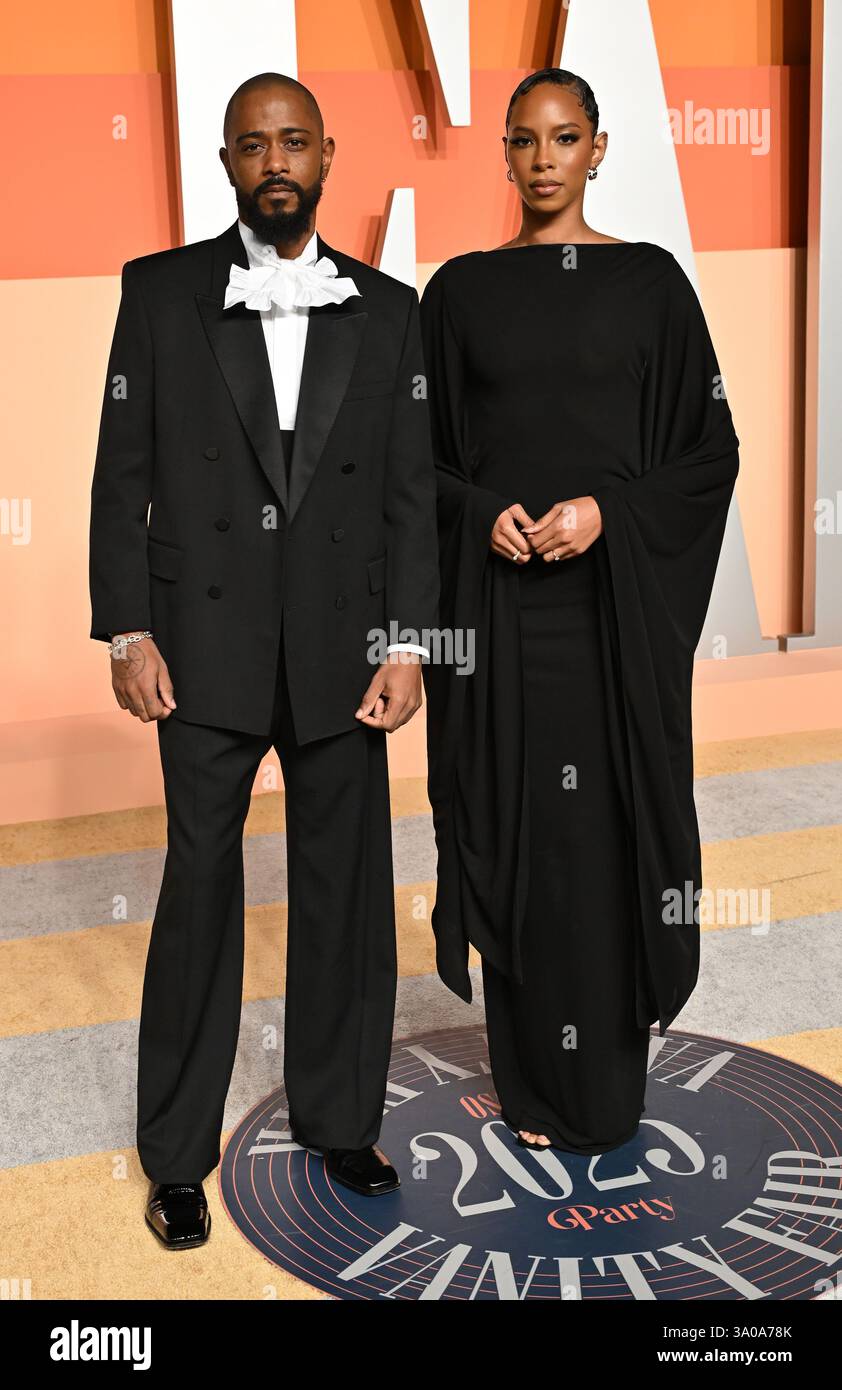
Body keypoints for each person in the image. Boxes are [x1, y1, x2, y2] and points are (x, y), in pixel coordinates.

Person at [88, 72, 439, 1248]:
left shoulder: (391, 311)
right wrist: (127, 630)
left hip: (345, 651)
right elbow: (118, 477)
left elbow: (407, 499)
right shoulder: (159, 293)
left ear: (327, 154)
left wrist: (408, 645)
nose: (274, 159)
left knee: (345, 898)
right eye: (253, 145)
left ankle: (341, 1120)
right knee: (198, 894)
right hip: (203, 649)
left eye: (294, 141)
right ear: (225, 159)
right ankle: (177, 1153)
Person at [419, 68, 740, 1153]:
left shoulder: (652, 285)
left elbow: (709, 454)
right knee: (518, 834)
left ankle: (602, 1088)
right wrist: (479, 517)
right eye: (523, 140)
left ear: (598, 149)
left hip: (612, 629)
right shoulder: (456, 292)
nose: (543, 157)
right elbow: (414, 469)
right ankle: (528, 1086)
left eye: (565, 138)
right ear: (502, 155)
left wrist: (607, 513)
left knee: (602, 846)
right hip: (502, 630)